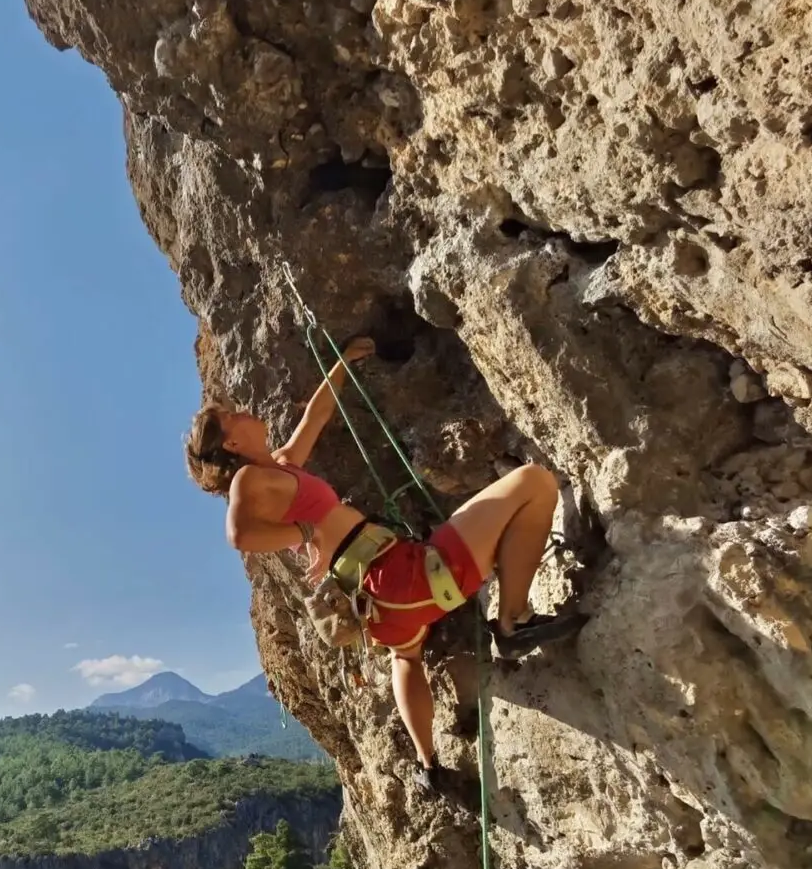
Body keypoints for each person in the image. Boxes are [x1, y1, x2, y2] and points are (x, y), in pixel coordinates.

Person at [183, 335, 587, 791]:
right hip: (401, 575)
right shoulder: (250, 479)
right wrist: (303, 533)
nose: (241, 411)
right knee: (534, 482)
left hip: (380, 604)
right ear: (232, 441)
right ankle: (514, 622)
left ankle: (429, 765)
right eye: (231, 416)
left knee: (406, 655)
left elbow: (315, 417)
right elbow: (239, 535)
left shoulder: (277, 467)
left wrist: (341, 363)